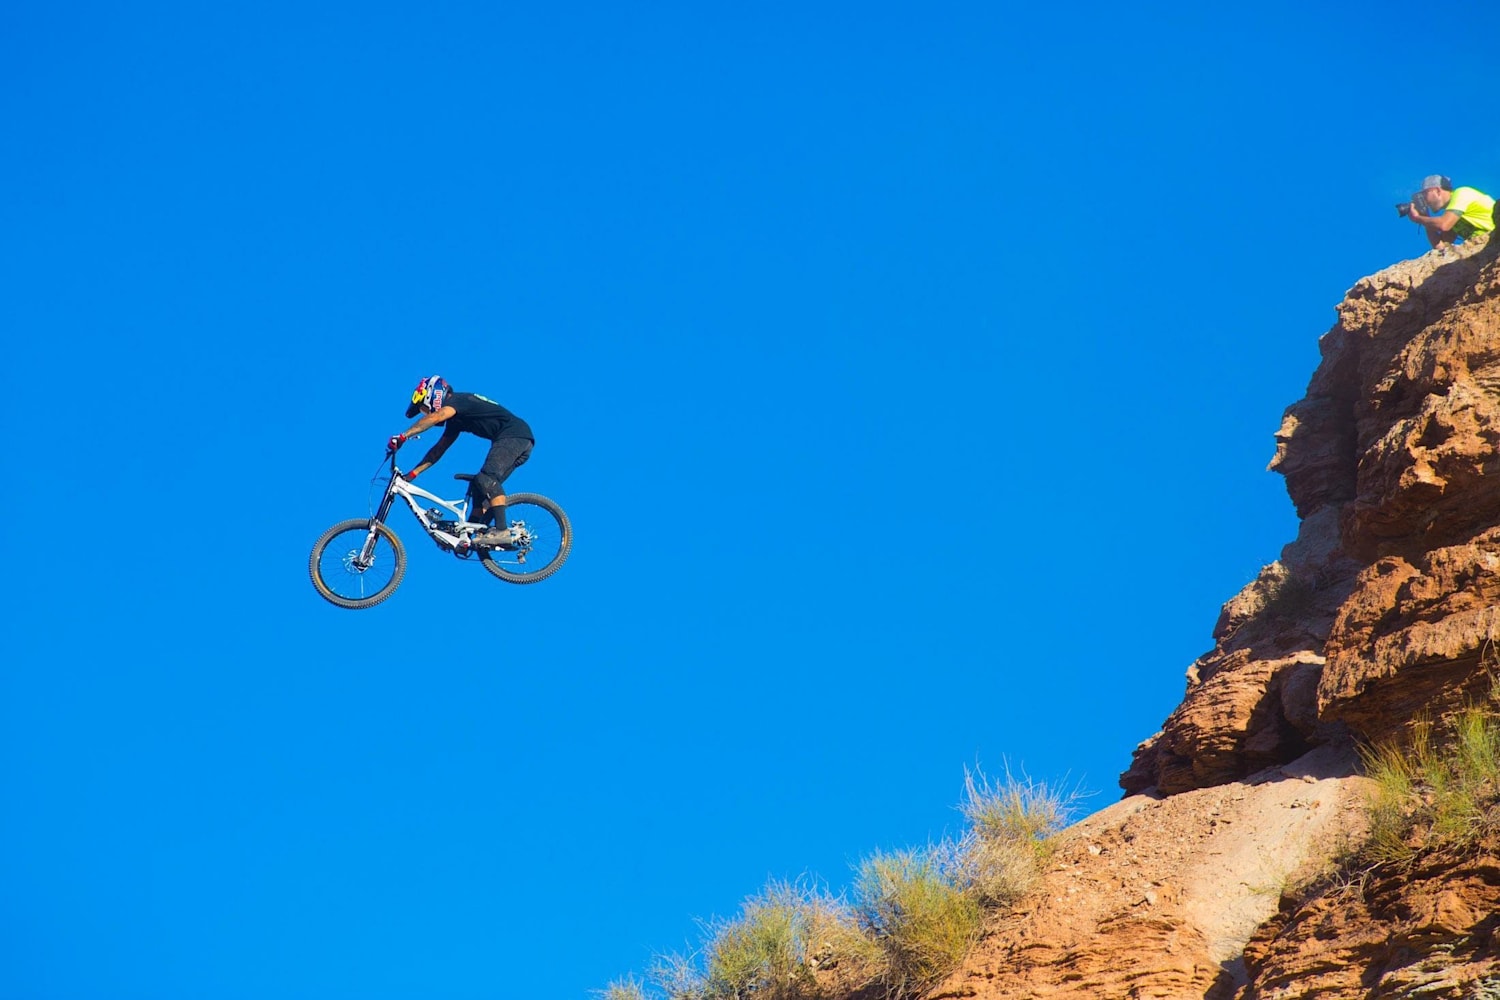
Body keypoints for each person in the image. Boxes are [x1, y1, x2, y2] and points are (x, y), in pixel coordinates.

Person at [386, 375, 535, 548]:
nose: (427, 414)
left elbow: (435, 418)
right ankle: (473, 535)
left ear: (433, 395)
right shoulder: (455, 420)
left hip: (514, 436)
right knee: (480, 487)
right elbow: (438, 450)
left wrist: (403, 436)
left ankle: (502, 531)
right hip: (520, 440)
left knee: (487, 479)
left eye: (424, 409)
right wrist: (413, 473)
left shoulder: (457, 401)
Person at [1406, 174, 1495, 248]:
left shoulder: (1462, 193)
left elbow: (1444, 225)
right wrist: (1425, 217)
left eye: (1425, 194)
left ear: (1437, 190)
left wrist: (1417, 218)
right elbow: (1440, 246)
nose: (1425, 200)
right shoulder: (1453, 215)